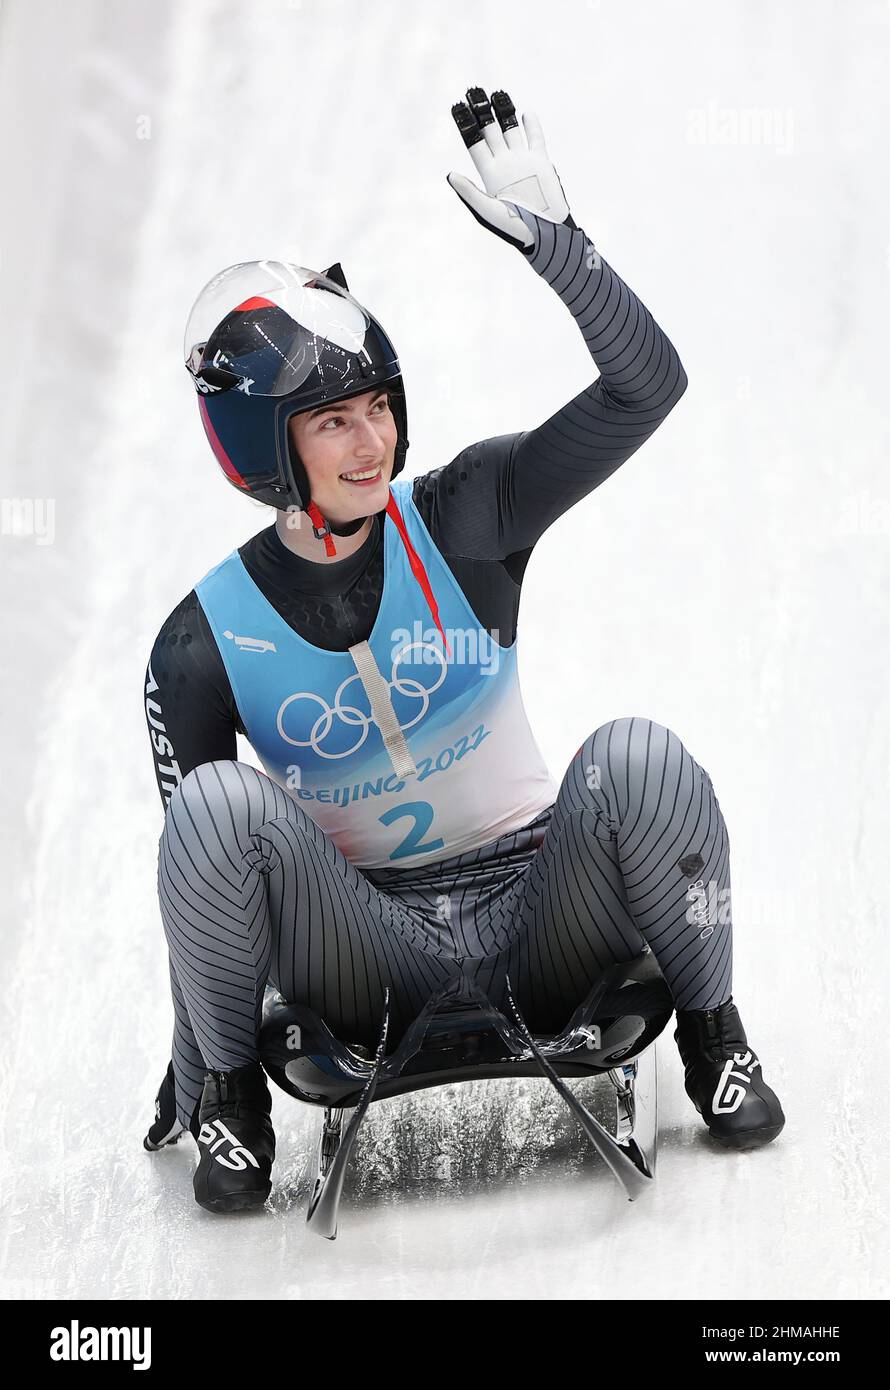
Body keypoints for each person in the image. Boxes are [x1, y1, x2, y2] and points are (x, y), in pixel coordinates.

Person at [143, 87, 784, 1214]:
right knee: (209, 812)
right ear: (264, 447)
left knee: (639, 757)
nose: (373, 438)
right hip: (365, 948)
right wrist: (202, 1051)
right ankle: (236, 1110)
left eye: (379, 406)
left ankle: (717, 1037)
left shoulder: (464, 513)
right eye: (333, 420)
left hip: (542, 909)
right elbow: (200, 876)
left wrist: (562, 250)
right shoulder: (200, 641)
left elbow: (649, 388)